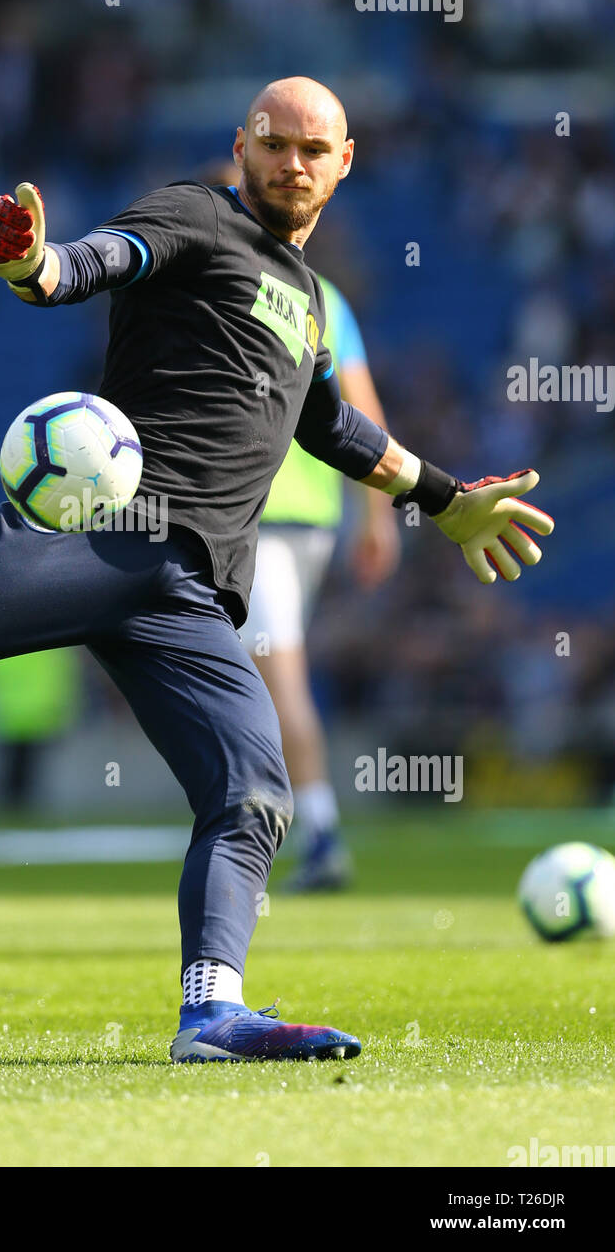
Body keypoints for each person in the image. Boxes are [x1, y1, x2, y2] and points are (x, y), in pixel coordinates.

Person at [0, 77, 553, 1064]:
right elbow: (99, 260)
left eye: (313, 148)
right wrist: (35, 263)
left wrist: (444, 499)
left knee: (255, 796)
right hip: (96, 532)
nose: (293, 161)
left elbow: (332, 424)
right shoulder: (196, 213)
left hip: (191, 592)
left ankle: (211, 1015)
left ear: (344, 164)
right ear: (239, 147)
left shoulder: (308, 302)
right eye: (274, 142)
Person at [240, 271, 400, 891]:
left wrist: (379, 516)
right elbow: (363, 410)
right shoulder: (326, 293)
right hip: (312, 522)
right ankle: (257, 815)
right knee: (255, 674)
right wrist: (375, 515)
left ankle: (321, 835)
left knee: (279, 680)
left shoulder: (219, 270)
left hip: (258, 518)